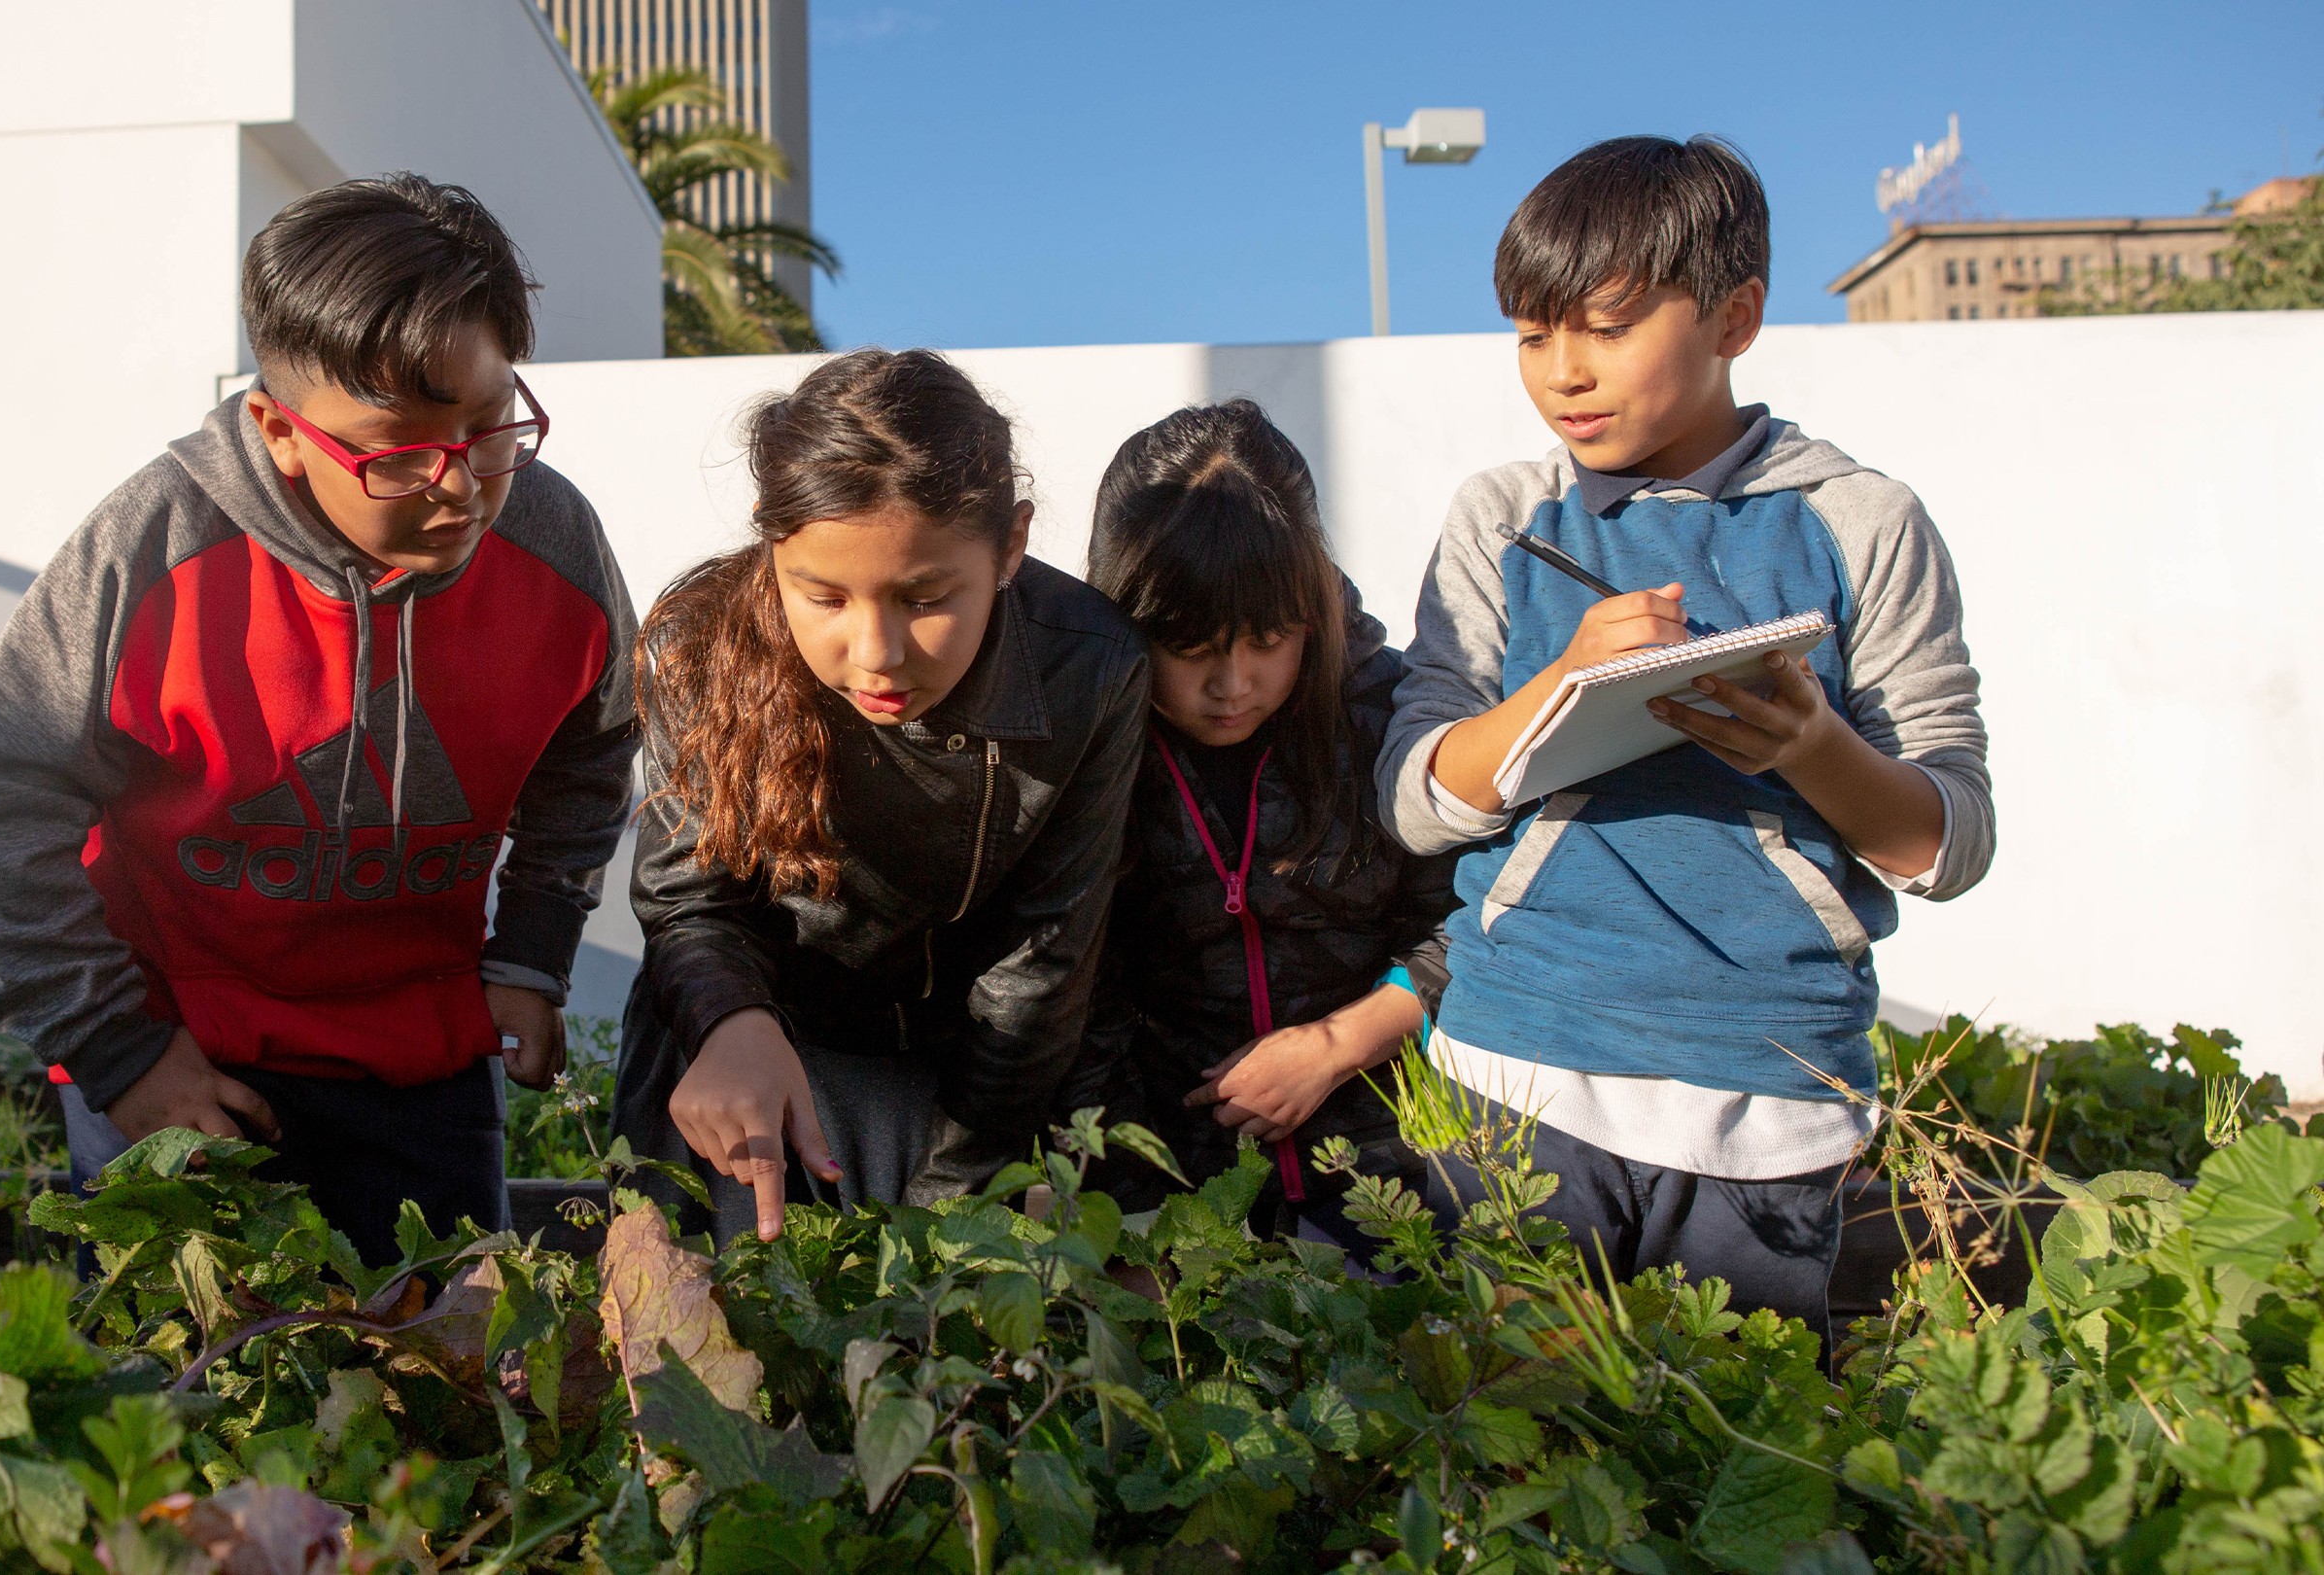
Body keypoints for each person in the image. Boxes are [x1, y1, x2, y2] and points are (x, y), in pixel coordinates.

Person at [0, 175, 638, 1263]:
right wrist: (118, 1053)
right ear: (279, 429)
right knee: (185, 1360)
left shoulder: (555, 543)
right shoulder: (151, 550)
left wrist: (532, 954)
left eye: (489, 424)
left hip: (425, 1059)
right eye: (397, 450)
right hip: (179, 1056)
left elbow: (590, 755)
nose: (460, 486)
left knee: (447, 1347)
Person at [1380, 136, 1994, 1332]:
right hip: (1514, 1071)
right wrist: (1563, 684)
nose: (1563, 373)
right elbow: (1412, 796)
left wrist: (1813, 746)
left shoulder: (1861, 523)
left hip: (1772, 1101)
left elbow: (1952, 843)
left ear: (1736, 317)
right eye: (1532, 336)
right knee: (1496, 1416)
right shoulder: (1504, 517)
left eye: (1607, 328)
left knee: (1734, 1430)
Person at [615, 348, 1148, 1242]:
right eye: (823, 598)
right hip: (735, 1046)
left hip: (958, 1079)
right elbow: (687, 898)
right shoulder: (696, 646)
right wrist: (730, 1021)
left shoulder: (1090, 669)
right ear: (771, 545)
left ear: (1011, 544)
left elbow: (1041, 967)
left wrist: (950, 1207)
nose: (876, 653)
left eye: (925, 597)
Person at [1074, 401, 1459, 1250]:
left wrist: (1336, 1045)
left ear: (1311, 611)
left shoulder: (1391, 715)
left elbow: (1474, 921)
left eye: (1268, 640)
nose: (1233, 684)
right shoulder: (1086, 743)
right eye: (1190, 648)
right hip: (1174, 1193)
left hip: (1401, 1177)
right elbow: (1077, 995)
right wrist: (1130, 1218)